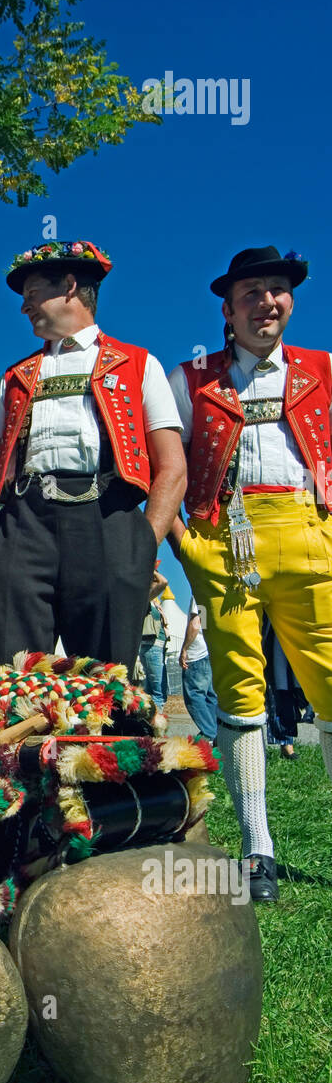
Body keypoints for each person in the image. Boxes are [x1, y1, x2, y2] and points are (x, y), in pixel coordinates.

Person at [168, 245, 332, 902]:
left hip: (306, 530)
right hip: (223, 537)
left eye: (276, 291)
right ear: (227, 310)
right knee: (238, 695)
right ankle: (257, 849)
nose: (267, 302)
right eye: (251, 294)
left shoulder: (322, 369)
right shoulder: (190, 379)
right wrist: (187, 546)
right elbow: (163, 467)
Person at [0, 239, 186, 670]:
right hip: (23, 525)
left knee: (106, 677)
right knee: (16, 673)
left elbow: (172, 467)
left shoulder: (140, 364)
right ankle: (23, 741)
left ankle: (101, 742)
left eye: (31, 295)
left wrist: (142, 543)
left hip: (110, 520)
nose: (24, 307)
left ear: (69, 286)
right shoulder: (14, 376)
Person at [262, 616, 306, 761]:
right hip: (269, 642)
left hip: (289, 641)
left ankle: (287, 745)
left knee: (285, 692)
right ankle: (219, 739)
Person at [180, 597, 218, 744]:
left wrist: (184, 648)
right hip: (208, 650)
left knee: (194, 695)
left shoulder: (198, 594)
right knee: (210, 696)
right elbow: (205, 622)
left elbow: (196, 625)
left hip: (196, 653)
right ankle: (214, 734)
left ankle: (210, 732)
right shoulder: (209, 593)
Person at [139, 568, 171, 714]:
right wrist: (150, 568)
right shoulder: (143, 597)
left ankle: (147, 723)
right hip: (152, 648)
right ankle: (155, 724)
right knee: (159, 693)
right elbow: (163, 581)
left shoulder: (152, 601)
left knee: (150, 691)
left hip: (153, 648)